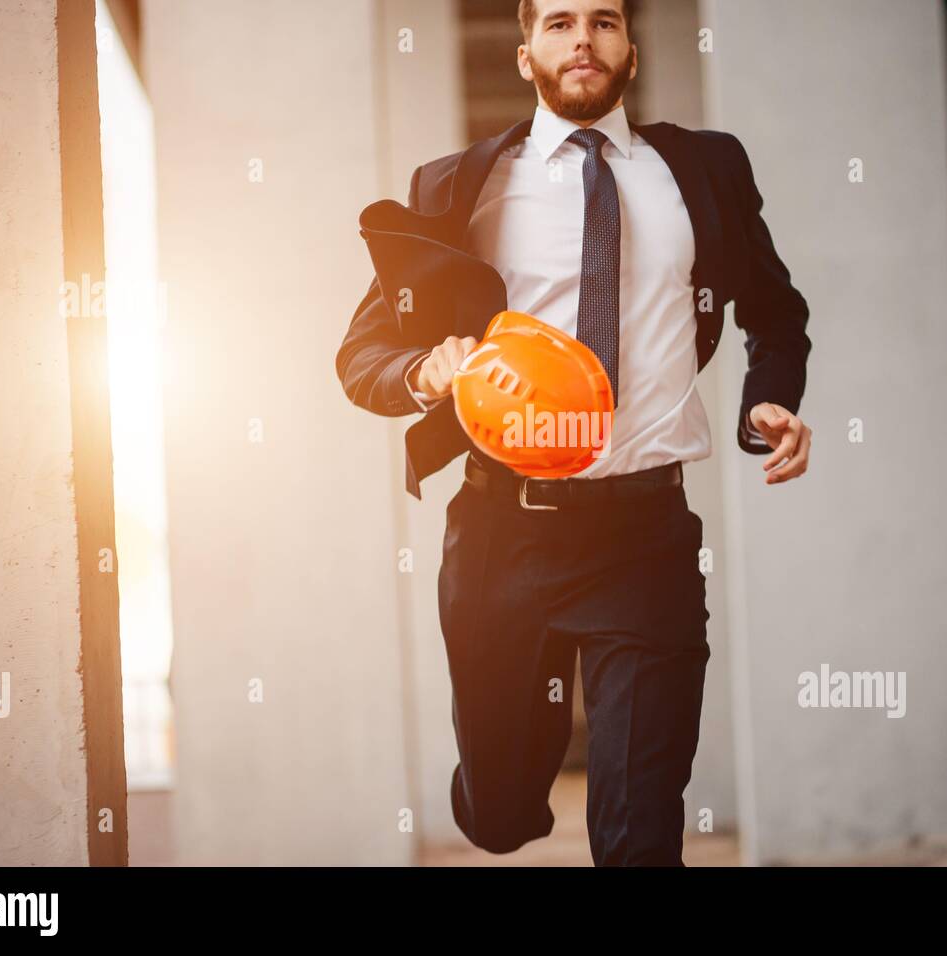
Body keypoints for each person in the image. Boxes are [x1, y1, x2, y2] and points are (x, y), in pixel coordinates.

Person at [336, 0, 812, 866]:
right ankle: (496, 793)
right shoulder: (454, 186)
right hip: (500, 535)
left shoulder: (705, 170)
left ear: (632, 49)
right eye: (558, 22)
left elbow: (776, 313)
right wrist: (425, 371)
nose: (582, 38)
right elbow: (364, 354)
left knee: (641, 821)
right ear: (526, 55)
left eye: (603, 20)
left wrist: (766, 401)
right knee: (503, 806)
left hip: (646, 537)